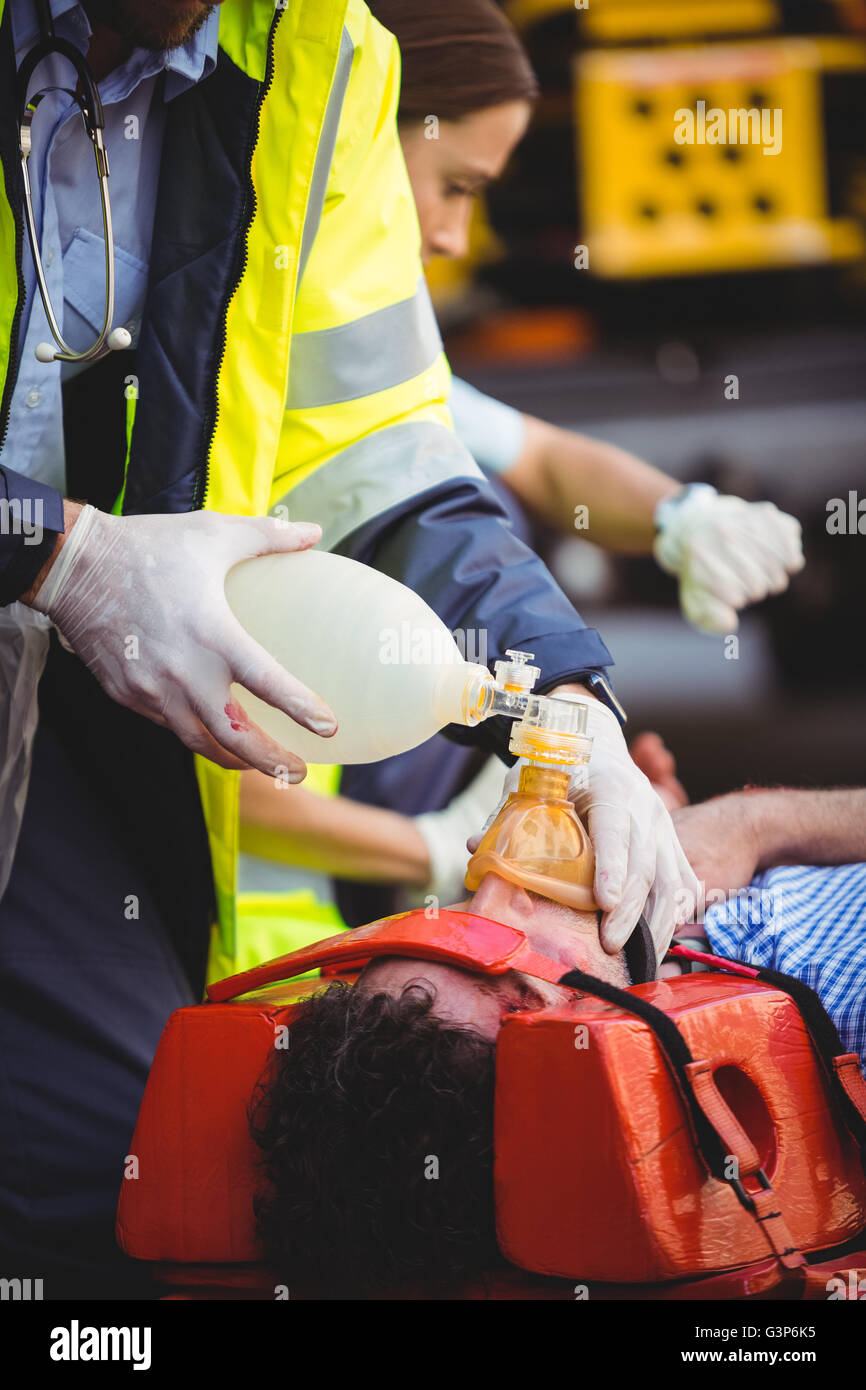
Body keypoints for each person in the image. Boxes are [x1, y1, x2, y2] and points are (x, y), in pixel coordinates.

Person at [0, 0, 693, 1300]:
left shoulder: (318, 56)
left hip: (56, 713)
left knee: (107, 1183)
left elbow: (384, 459)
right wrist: (51, 548)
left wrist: (566, 693)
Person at [237, 0, 799, 951]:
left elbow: (538, 457)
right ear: (361, 129)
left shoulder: (362, 374)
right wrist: (431, 848)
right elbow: (212, 754)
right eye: (455, 185)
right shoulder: (264, 369)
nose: (455, 236)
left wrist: (682, 517)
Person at [252, 784, 866, 1297]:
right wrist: (756, 820)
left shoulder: (674, 946)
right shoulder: (846, 993)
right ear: (574, 1029)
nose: (495, 878)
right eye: (491, 944)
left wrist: (751, 826)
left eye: (450, 917)